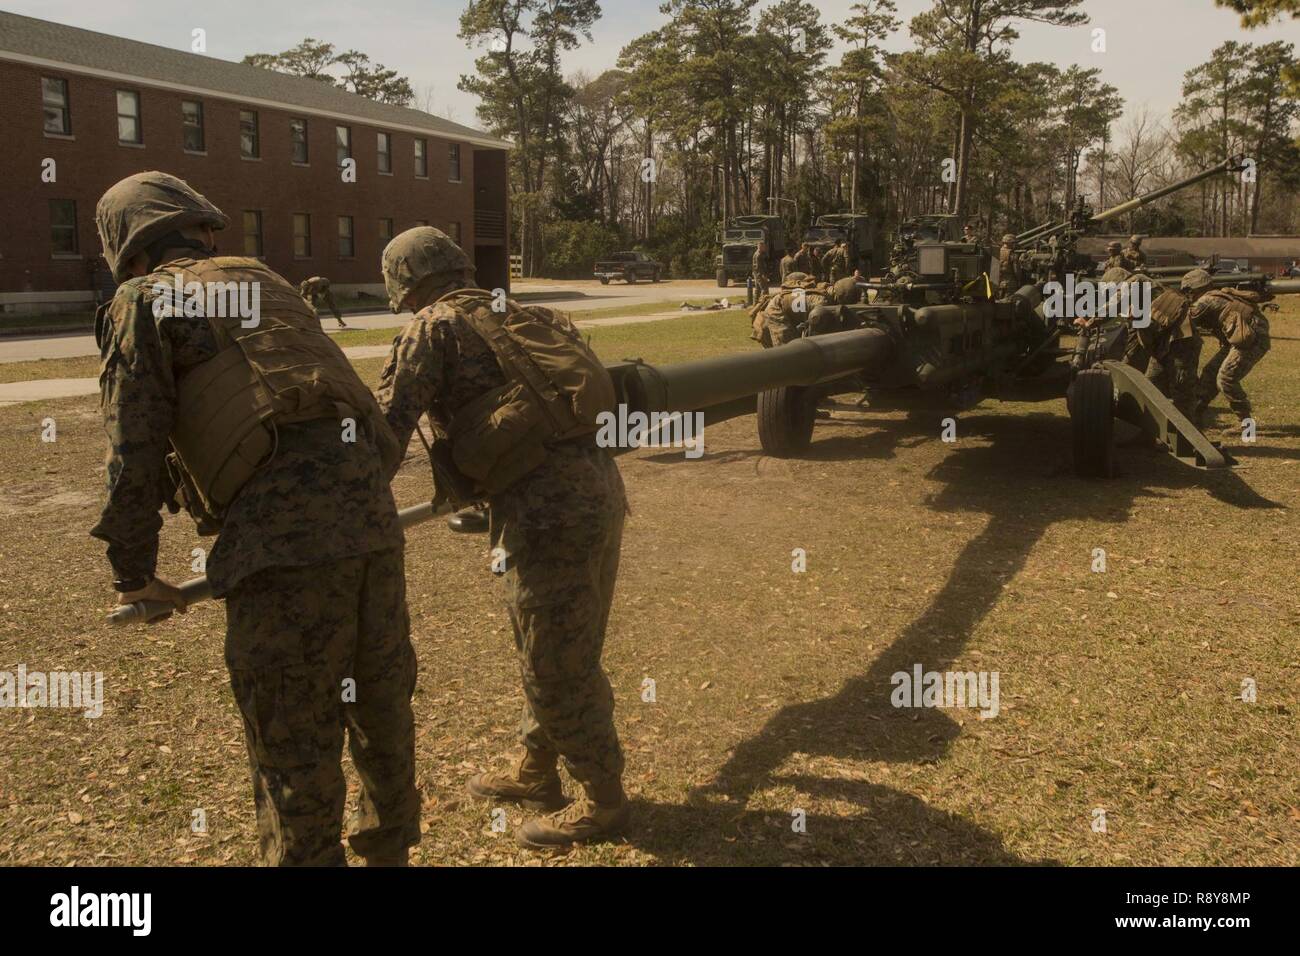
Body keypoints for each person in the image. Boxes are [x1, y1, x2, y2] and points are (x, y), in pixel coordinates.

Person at [90, 171, 418, 866]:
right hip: (369, 521)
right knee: (379, 708)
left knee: (292, 739)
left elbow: (135, 443)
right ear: (200, 228)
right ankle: (389, 851)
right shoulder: (264, 280)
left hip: (280, 545)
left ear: (130, 249)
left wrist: (131, 572)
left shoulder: (143, 299)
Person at [374, 227, 630, 848]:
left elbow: (384, 430)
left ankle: (603, 797)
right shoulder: (524, 311)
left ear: (404, 283)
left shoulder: (432, 327)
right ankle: (537, 767)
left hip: (543, 518)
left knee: (553, 659)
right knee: (559, 643)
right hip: (600, 495)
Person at [1183, 268, 1271, 435]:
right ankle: (1195, 415)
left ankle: (1247, 426)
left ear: (1195, 288)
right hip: (1246, 338)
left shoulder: (1206, 300)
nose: (1188, 294)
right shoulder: (1219, 294)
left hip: (1251, 341)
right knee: (1210, 372)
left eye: (1188, 291)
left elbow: (1185, 319)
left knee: (1226, 378)